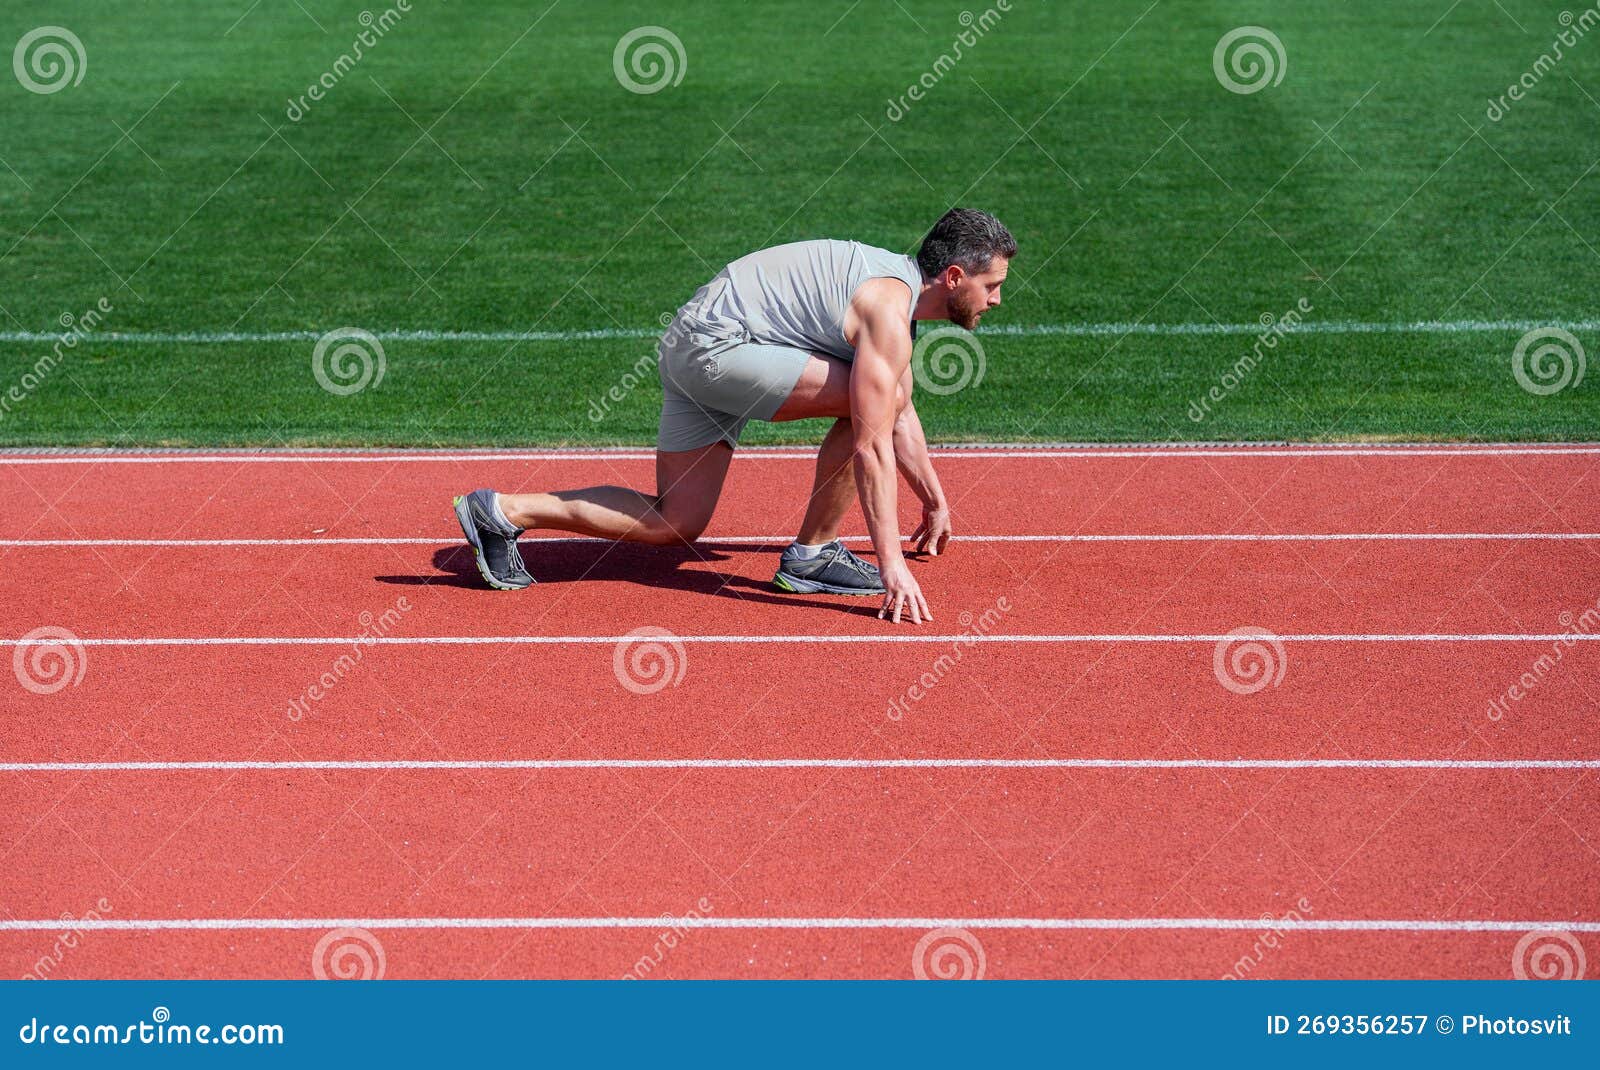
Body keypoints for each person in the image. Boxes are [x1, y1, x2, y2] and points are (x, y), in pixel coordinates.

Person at [452, 207, 1014, 624]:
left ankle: (501, 512)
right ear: (954, 277)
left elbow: (899, 407)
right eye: (991, 286)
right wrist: (892, 565)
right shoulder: (887, 310)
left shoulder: (895, 292)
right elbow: (871, 442)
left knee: (676, 521)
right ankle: (813, 556)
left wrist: (934, 501)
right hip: (717, 350)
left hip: (697, 345)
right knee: (871, 402)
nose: (995, 300)